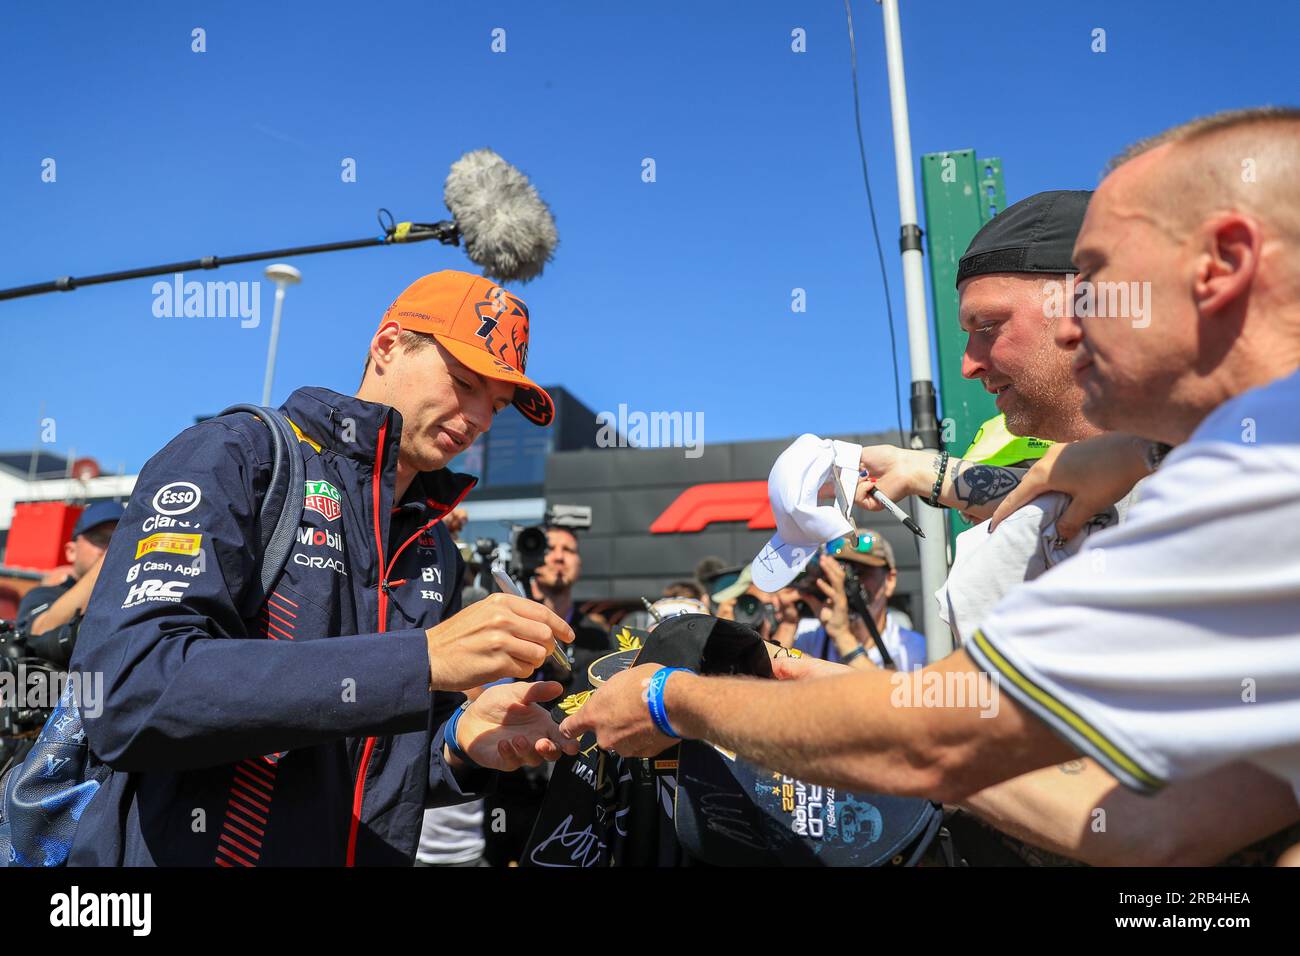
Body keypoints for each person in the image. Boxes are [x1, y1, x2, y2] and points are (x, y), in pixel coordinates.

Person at [560, 109, 1300, 837]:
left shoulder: (1263, 485)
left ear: (1225, 263)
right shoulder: (1214, 465)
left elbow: (939, 737)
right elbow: (1153, 834)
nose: (1080, 324)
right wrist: (800, 680)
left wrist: (672, 701)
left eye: (1101, 282)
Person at [68, 269, 580, 866]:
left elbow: (367, 763)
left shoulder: (431, 540)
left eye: (496, 405)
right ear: (387, 345)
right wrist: (423, 661)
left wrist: (458, 744)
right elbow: (127, 692)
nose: (480, 418)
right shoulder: (237, 453)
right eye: (465, 382)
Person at [794, 528, 926, 671]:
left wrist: (842, 636)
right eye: (840, 572)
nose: (846, 582)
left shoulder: (912, 649)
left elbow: (895, 692)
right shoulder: (807, 640)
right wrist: (787, 624)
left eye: (861, 572)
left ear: (890, 580)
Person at [16, 501, 122, 637]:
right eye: (101, 538)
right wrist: (109, 559)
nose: (112, 547)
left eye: (120, 539)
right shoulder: (45, 594)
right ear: (71, 551)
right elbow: (39, 632)